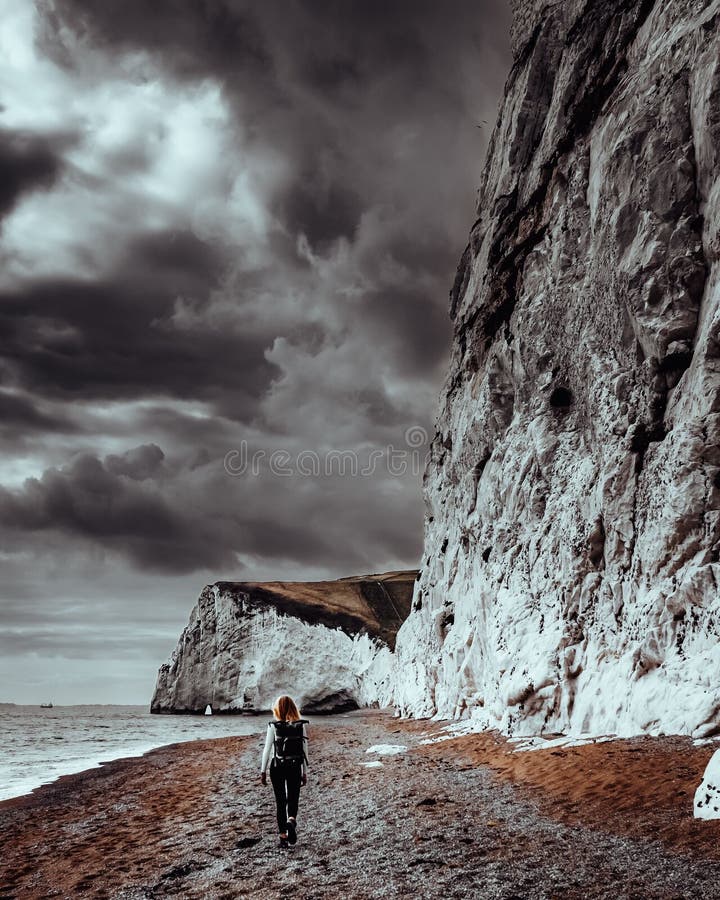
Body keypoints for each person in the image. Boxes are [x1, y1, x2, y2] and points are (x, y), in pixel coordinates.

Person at [260, 695, 308, 848]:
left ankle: (283, 836)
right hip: (294, 765)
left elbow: (267, 749)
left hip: (277, 766)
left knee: (280, 801)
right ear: (294, 708)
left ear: (277, 709)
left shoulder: (273, 726)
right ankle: (291, 820)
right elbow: (304, 750)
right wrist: (304, 772)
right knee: (293, 797)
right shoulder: (300, 725)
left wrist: (263, 771)